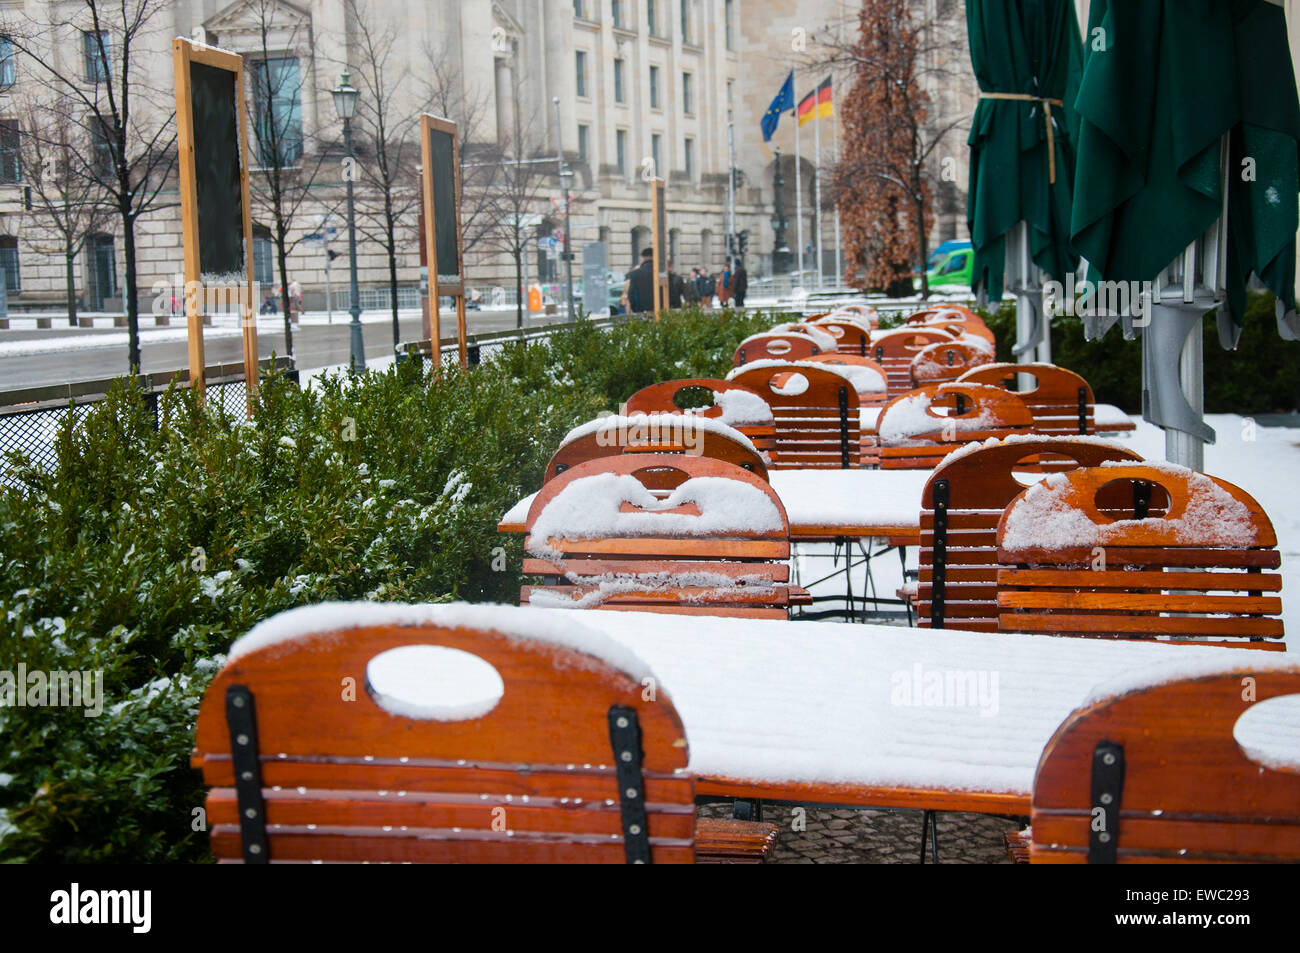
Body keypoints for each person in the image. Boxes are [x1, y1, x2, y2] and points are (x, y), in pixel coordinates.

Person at [620, 247, 656, 314]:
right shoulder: (663, 274)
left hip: (642, 312)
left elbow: (631, 294)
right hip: (662, 312)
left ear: (642, 258)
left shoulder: (635, 274)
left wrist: (636, 310)